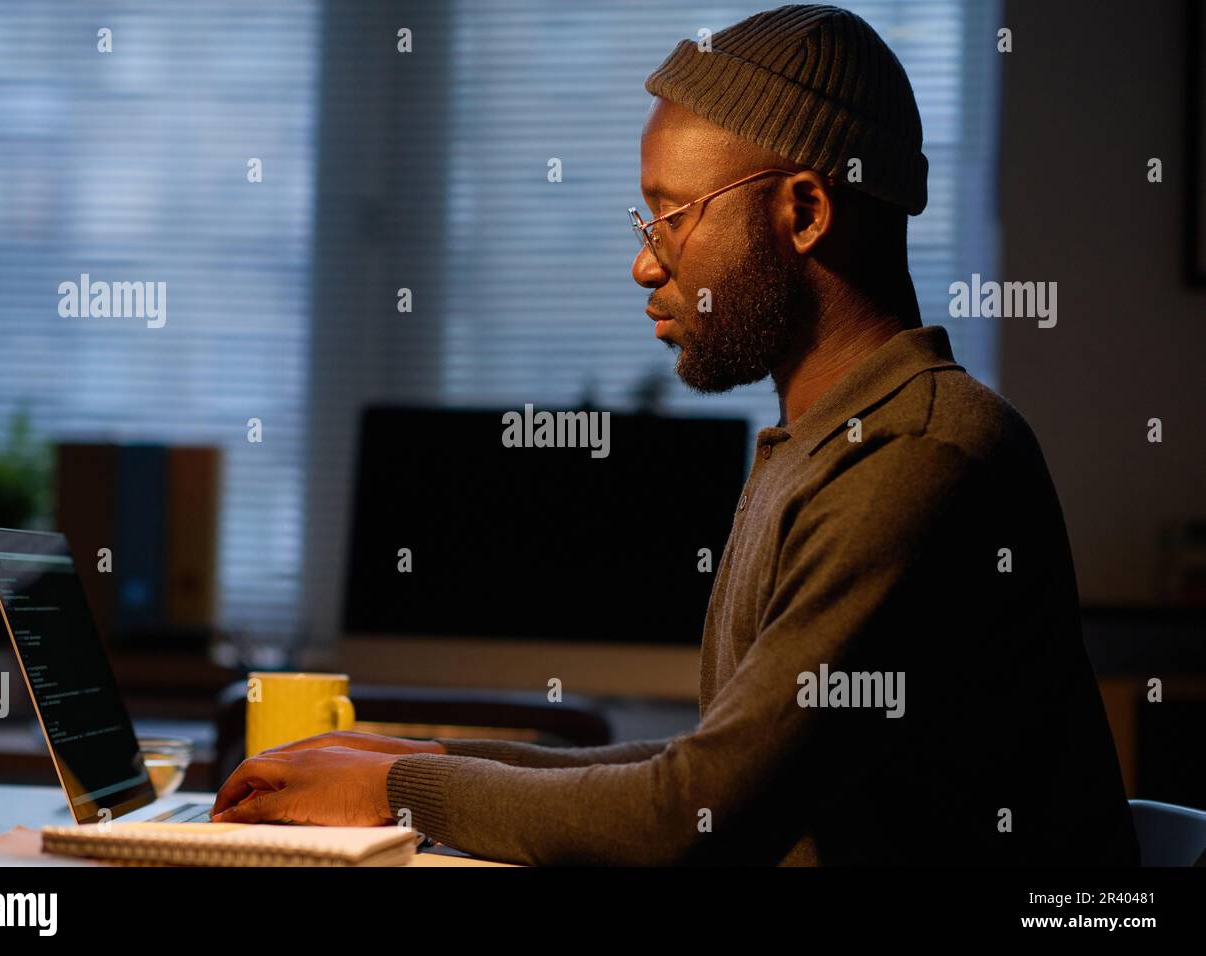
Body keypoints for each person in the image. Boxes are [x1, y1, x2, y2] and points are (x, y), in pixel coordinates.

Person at [212, 5, 1138, 866]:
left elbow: (699, 819)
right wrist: (424, 759)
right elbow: (713, 769)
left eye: (674, 214)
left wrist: (400, 788)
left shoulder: (918, 458)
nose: (645, 259)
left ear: (806, 212)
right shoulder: (823, 443)